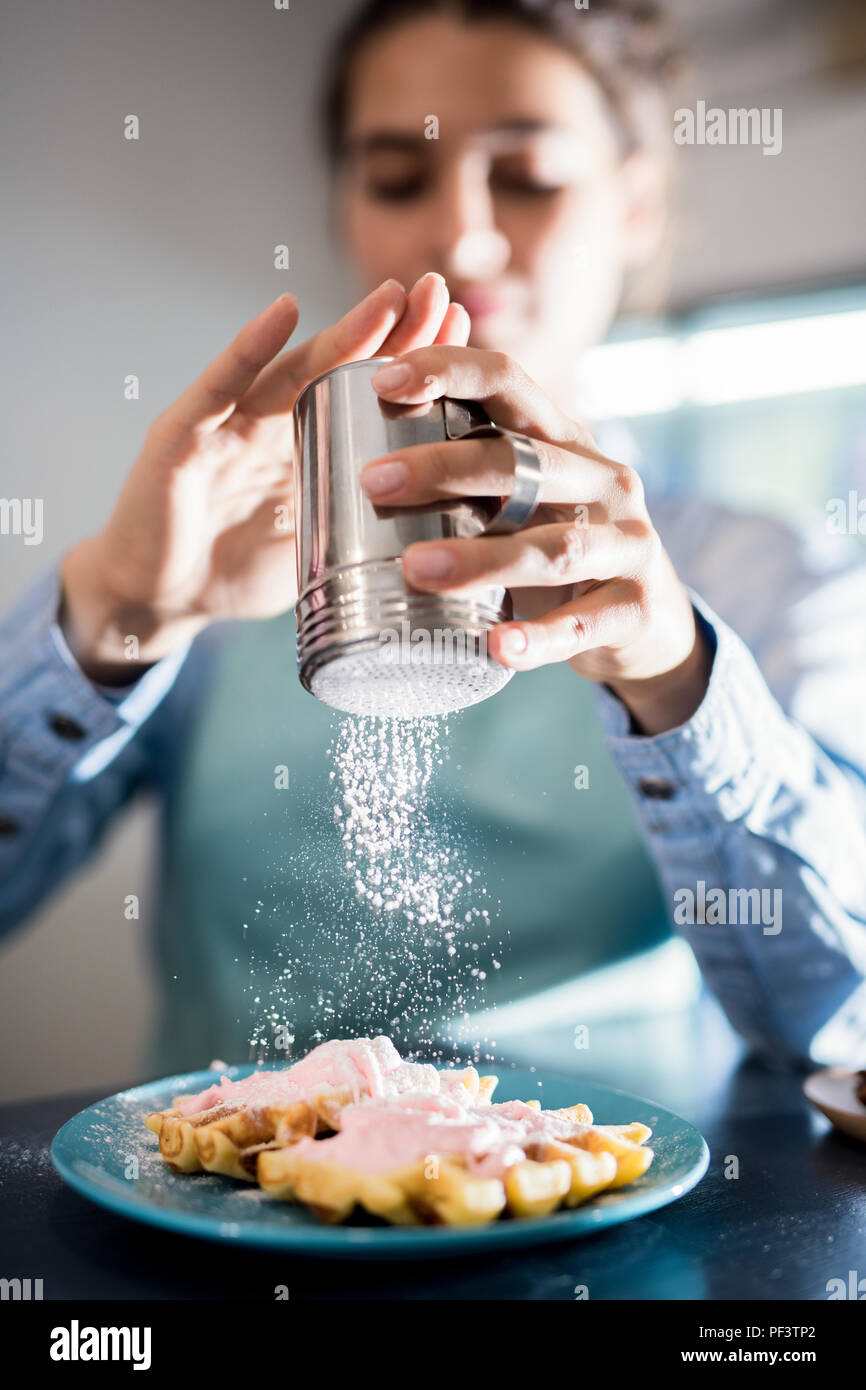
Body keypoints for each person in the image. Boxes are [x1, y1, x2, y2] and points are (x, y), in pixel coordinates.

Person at [2, 0, 865, 1078]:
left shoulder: (760, 575)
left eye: (529, 175)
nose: (457, 236)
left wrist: (675, 678)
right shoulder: (224, 555)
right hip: (225, 1217)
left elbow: (839, 1020)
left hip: (606, 1221)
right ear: (343, 209)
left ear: (635, 206)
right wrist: (120, 615)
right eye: (397, 179)